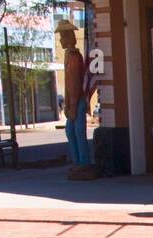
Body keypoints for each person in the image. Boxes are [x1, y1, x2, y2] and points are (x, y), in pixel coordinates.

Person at [57, 19, 96, 180]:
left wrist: (72, 106)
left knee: (78, 132)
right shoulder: (69, 56)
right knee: (71, 131)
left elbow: (74, 84)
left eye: (62, 35)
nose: (60, 39)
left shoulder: (74, 57)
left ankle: (83, 162)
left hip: (77, 100)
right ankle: (78, 161)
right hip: (72, 101)